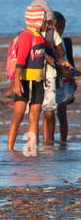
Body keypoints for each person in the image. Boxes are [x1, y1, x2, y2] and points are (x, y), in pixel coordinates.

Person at [8, 0, 64, 155]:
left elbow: (50, 50)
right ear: (37, 21)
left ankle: (31, 148)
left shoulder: (40, 37)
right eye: (43, 21)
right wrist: (16, 81)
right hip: (25, 79)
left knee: (35, 115)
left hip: (38, 79)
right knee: (18, 114)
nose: (45, 24)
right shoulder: (27, 35)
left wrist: (61, 61)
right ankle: (10, 148)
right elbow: (20, 59)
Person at [42, 11, 75, 146]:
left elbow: (71, 61)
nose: (61, 31)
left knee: (62, 113)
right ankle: (47, 142)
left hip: (64, 82)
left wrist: (73, 80)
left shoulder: (66, 42)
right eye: (58, 28)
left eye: (63, 28)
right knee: (47, 112)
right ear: (51, 26)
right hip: (50, 80)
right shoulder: (47, 42)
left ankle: (63, 142)